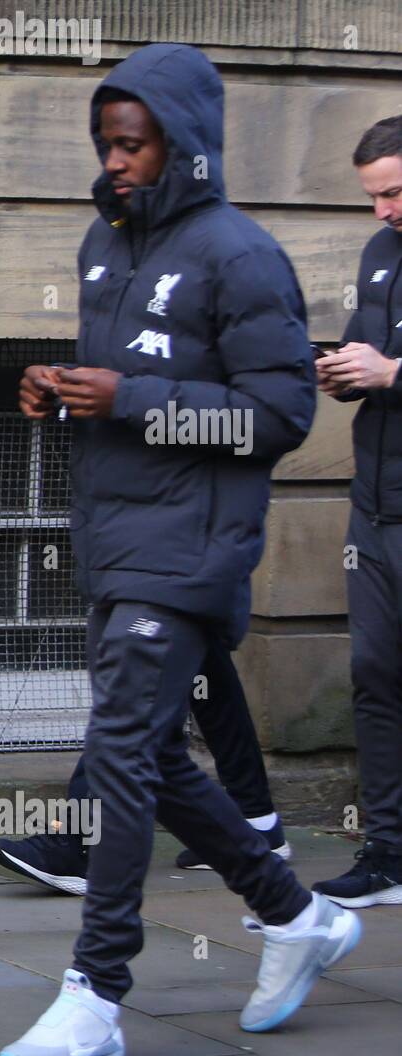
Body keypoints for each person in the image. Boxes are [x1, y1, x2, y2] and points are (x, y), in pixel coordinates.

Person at [0, 44, 361, 1056]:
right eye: (105, 144)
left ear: (183, 141)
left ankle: (94, 994)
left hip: (190, 546)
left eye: (133, 143)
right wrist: (60, 388)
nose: (115, 163)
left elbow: (282, 413)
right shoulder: (103, 242)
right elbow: (125, 380)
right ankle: (294, 911)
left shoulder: (240, 255)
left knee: (115, 752)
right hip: (115, 535)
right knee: (145, 756)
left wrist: (129, 401)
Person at [0, 633, 290, 895]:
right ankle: (257, 822)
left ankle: (79, 842)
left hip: (161, 579)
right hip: (178, 578)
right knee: (202, 661)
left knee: (134, 706)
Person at [314, 115, 402, 909]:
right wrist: (342, 370)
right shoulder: (381, 253)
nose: (382, 211)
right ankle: (389, 854)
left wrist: (394, 372)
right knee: (375, 676)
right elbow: (364, 353)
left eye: (395, 191)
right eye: (373, 196)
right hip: (375, 510)